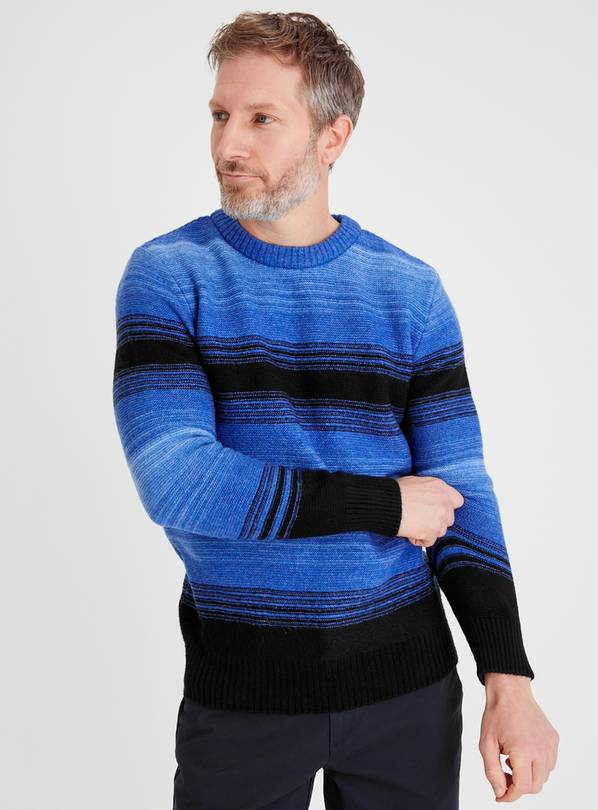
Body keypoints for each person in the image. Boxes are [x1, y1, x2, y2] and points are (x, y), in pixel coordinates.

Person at [112, 11, 559, 809]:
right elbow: (179, 482)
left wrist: (508, 677)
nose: (227, 144)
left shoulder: (409, 291)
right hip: (242, 699)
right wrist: (385, 504)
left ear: (333, 137)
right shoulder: (170, 275)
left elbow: (461, 491)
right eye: (219, 114)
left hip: (409, 697)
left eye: (261, 119)